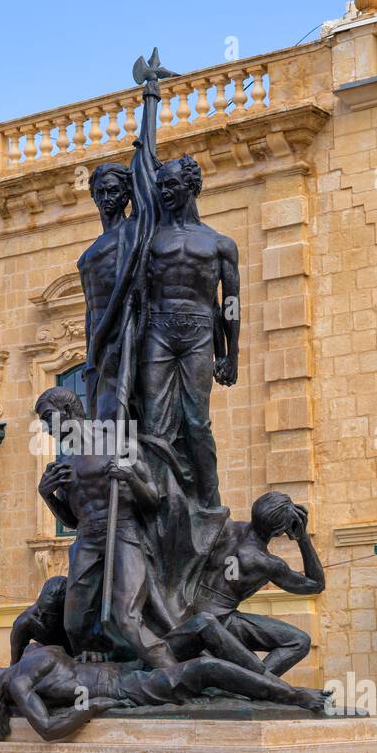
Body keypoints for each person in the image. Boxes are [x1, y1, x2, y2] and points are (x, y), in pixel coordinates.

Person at [35, 386, 175, 667]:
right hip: (86, 538)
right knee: (74, 623)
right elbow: (71, 520)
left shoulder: (118, 444)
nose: (47, 428)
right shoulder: (63, 461)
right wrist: (47, 495)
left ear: (68, 412)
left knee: (128, 618)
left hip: (123, 532)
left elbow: (153, 499)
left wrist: (130, 478)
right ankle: (98, 662)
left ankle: (175, 675)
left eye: (49, 418)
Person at [0, 643, 332, 743]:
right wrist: (93, 707)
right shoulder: (21, 685)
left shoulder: (25, 658)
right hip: (123, 687)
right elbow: (48, 729)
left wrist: (88, 655)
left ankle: (272, 692)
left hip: (123, 668)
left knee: (200, 645)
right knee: (206, 668)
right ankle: (294, 696)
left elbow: (66, 667)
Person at [138, 154, 239, 508]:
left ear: (190, 186)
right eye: (161, 185)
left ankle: (209, 504)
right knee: (154, 423)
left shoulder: (219, 243)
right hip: (159, 332)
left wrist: (230, 355)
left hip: (198, 333)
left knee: (197, 422)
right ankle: (160, 503)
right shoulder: (149, 240)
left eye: (172, 184)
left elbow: (230, 304)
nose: (164, 191)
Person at [167, 492, 324, 677]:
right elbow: (316, 584)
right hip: (222, 619)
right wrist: (303, 537)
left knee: (250, 656)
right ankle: (250, 684)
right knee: (299, 641)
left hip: (189, 608)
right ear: (278, 531)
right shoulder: (267, 563)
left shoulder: (224, 527)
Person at [77, 163, 133, 421]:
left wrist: (102, 336)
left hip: (119, 335)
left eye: (113, 191)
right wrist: (91, 348)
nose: (106, 199)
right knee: (97, 417)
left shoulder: (132, 233)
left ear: (125, 195)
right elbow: (90, 309)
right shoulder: (93, 249)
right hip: (97, 346)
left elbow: (125, 291)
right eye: (100, 192)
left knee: (115, 416)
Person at [9, 575, 70, 663]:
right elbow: (14, 666)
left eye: (47, 614)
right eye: (39, 609)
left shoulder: (75, 620)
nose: (40, 616)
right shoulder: (24, 623)